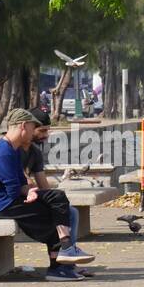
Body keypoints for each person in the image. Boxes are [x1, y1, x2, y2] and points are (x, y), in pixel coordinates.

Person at [0, 108, 93, 280]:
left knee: (59, 205)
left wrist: (30, 190)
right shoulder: (2, 152)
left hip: (8, 200)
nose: (32, 133)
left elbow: (21, 184)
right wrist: (28, 191)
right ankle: (62, 262)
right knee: (58, 209)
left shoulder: (12, 149)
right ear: (23, 126)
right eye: (32, 128)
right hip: (1, 205)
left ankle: (61, 262)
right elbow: (13, 189)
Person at [23, 110, 94, 277]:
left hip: (30, 196)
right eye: (42, 131)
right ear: (30, 127)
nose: (45, 136)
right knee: (63, 215)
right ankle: (61, 262)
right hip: (16, 202)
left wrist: (51, 201)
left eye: (47, 131)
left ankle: (68, 261)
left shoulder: (34, 152)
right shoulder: (14, 150)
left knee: (71, 212)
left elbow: (43, 185)